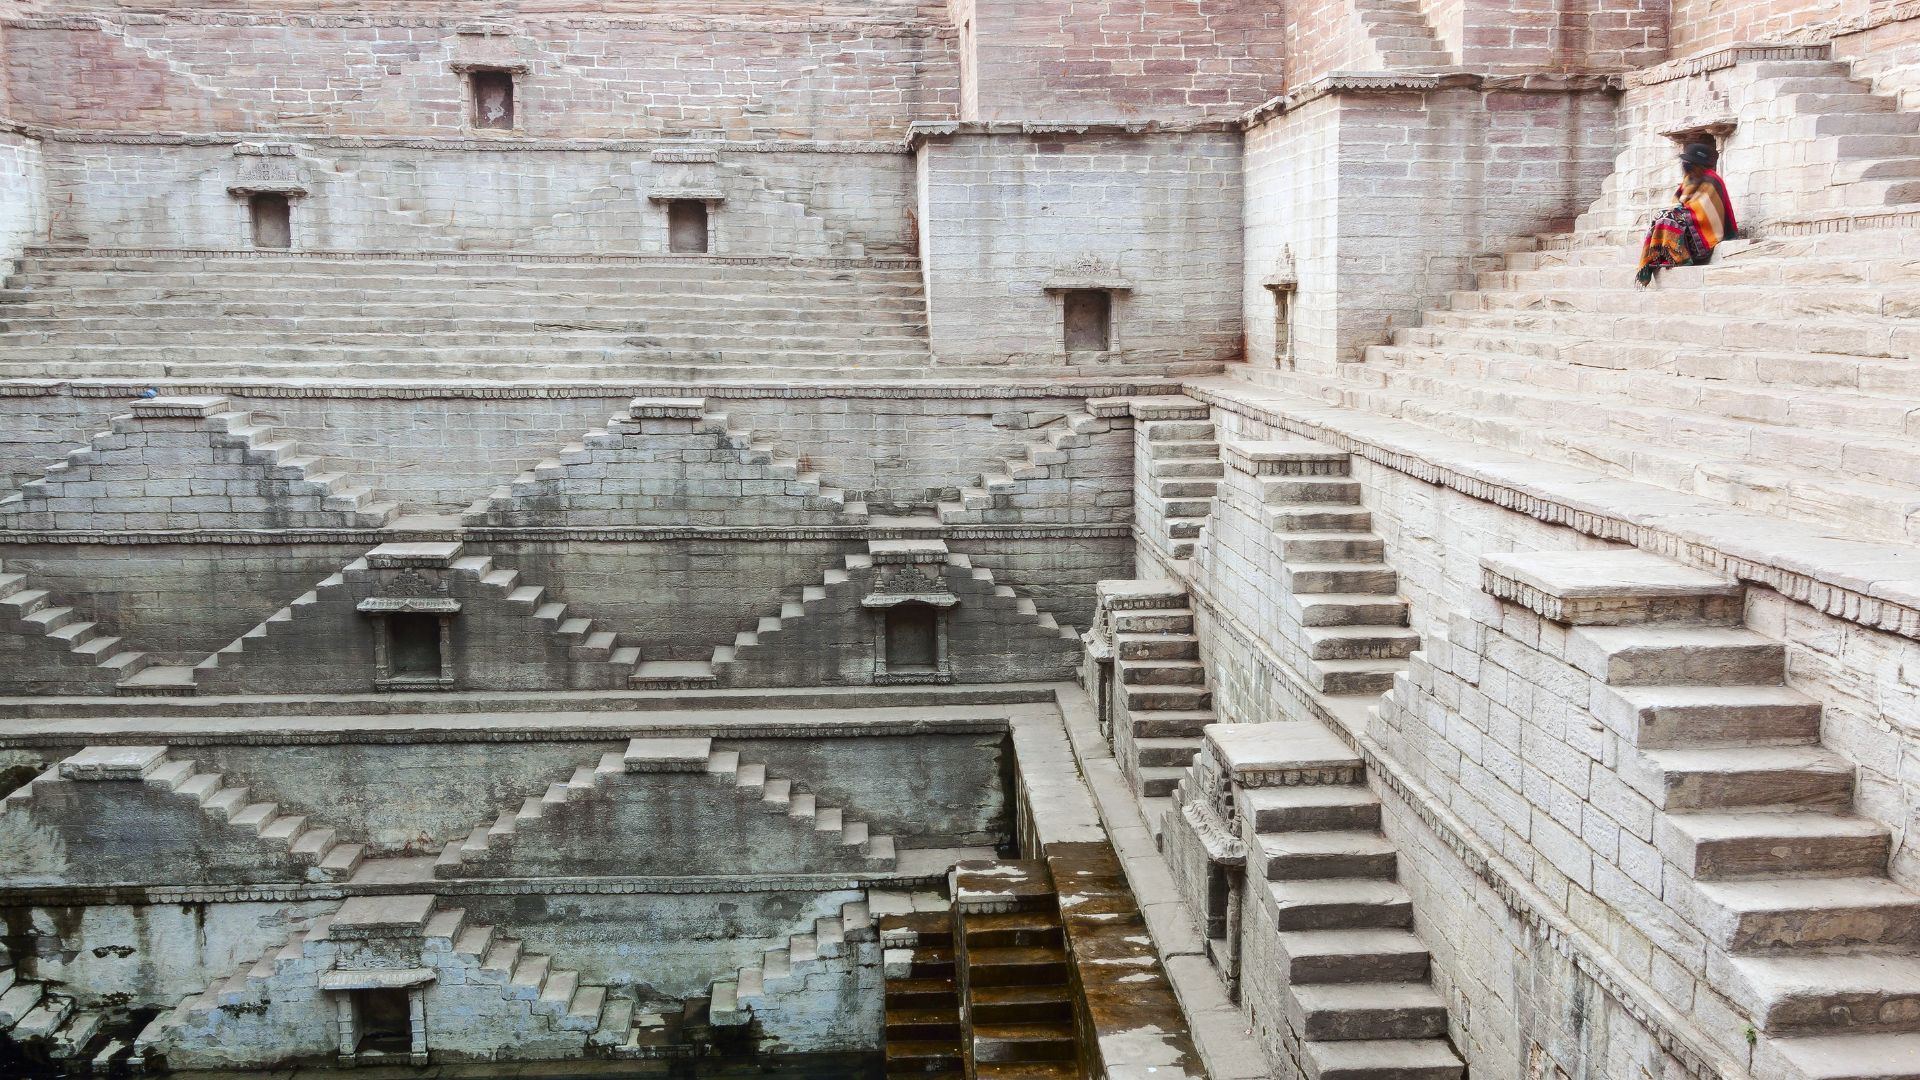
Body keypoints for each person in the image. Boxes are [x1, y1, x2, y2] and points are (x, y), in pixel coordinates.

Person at [1636, 141, 1737, 286]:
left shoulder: (1712, 179)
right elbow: (1678, 199)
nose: (1685, 164)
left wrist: (1680, 210)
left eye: (1688, 161)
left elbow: (1704, 209)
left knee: (1670, 219)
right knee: (1662, 217)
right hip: (1689, 218)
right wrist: (1676, 208)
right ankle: (1662, 256)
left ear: (1697, 163)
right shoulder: (1689, 179)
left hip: (1706, 228)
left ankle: (1681, 257)